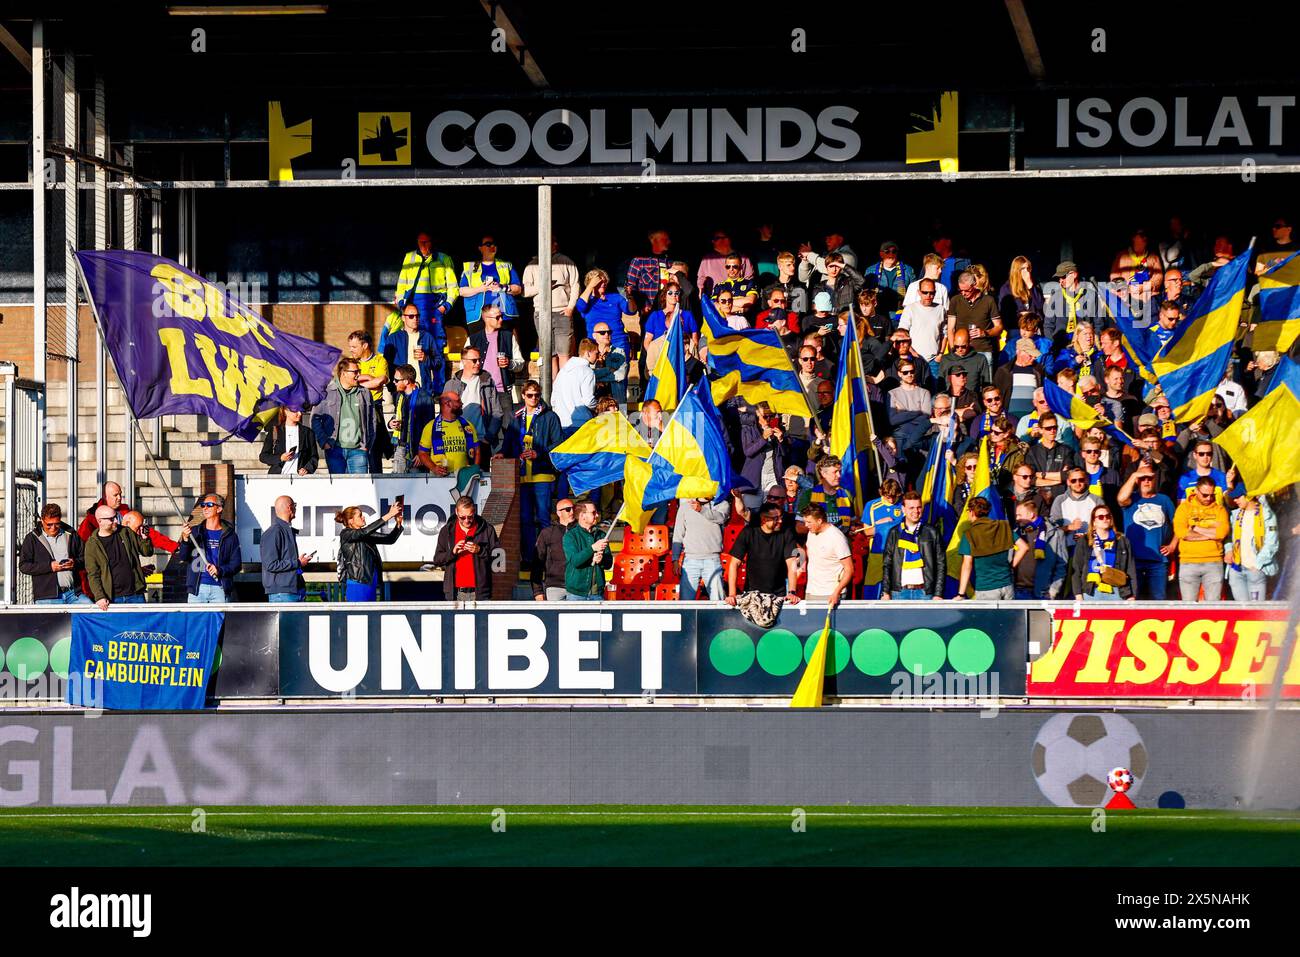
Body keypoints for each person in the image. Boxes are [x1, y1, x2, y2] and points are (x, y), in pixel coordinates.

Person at [502, 380, 562, 565]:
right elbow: (509, 441)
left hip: (542, 475)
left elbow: (558, 444)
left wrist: (539, 452)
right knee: (525, 518)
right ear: (523, 396)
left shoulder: (549, 416)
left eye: (536, 395)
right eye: (530, 395)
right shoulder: (516, 415)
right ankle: (529, 557)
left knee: (543, 517)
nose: (534, 398)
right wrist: (501, 454)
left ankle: (548, 557)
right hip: (521, 475)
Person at [386, 231, 459, 353]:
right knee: (414, 345)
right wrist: (401, 303)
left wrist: (445, 306)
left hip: (435, 306)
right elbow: (401, 283)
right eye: (421, 242)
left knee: (436, 346)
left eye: (426, 242)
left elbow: (453, 287)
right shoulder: (410, 257)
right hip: (414, 307)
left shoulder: (444, 259)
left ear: (432, 242)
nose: (424, 245)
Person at [522, 237, 581, 378]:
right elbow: (525, 291)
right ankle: (552, 391)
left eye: (552, 242)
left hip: (562, 312)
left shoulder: (567, 262)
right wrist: (543, 286)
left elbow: (575, 285)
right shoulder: (532, 265)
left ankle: (566, 390)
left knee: (564, 354)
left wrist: (570, 307)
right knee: (549, 355)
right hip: (541, 313)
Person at [574, 269, 635, 401]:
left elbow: (631, 311)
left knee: (619, 381)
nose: (602, 283)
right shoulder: (587, 301)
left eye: (604, 281)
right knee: (593, 381)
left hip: (617, 343)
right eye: (598, 281)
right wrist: (591, 286)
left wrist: (630, 296)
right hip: (595, 345)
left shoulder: (615, 298)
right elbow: (579, 307)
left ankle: (621, 415)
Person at [1118, 463, 1177, 599]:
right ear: (1137, 480)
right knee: (1133, 600)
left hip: (1158, 561)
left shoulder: (1164, 500)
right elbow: (1120, 499)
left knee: (1158, 601)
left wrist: (1173, 545)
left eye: (1149, 478)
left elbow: (1179, 525)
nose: (1146, 481)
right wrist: (1134, 475)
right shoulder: (1131, 499)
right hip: (1133, 561)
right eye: (1142, 478)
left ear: (1155, 479)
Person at [725, 501, 801, 605]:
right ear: (764, 520)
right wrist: (732, 594)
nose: (780, 521)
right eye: (776, 518)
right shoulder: (749, 532)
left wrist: (792, 592)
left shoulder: (786, 533)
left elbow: (792, 563)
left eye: (780, 517)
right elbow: (734, 563)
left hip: (778, 595)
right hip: (752, 594)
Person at [431, 495, 501, 603]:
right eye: (462, 517)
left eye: (470, 516)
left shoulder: (487, 529)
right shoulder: (447, 531)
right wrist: (452, 552)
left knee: (480, 620)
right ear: (456, 512)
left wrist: (480, 550)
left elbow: (499, 562)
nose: (467, 520)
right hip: (455, 592)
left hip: (480, 593)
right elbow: (437, 560)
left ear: (475, 511)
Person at [20, 503, 92, 605]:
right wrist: (50, 567)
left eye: (57, 524)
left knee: (92, 612)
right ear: (42, 521)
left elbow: (86, 558)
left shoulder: (71, 534)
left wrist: (74, 563)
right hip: (46, 597)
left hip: (73, 594)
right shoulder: (31, 539)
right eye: (49, 524)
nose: (53, 528)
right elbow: (24, 566)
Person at [84, 504, 154, 608]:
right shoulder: (92, 544)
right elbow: (93, 574)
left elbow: (147, 552)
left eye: (116, 517)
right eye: (111, 519)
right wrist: (99, 597)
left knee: (141, 624)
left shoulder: (126, 532)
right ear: (99, 521)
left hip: (135, 595)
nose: (116, 521)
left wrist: (145, 538)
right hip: (112, 598)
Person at [177, 493, 242, 604]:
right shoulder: (195, 532)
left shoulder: (230, 535)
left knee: (219, 621)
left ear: (219, 509)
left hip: (220, 588)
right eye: (203, 505)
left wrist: (220, 570)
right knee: (196, 621)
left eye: (210, 504)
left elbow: (236, 564)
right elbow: (183, 556)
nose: (205, 508)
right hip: (197, 589)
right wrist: (185, 539)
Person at [314, 357, 374, 475]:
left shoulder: (365, 393)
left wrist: (367, 444)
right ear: (343, 373)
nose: (359, 375)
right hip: (334, 449)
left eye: (359, 371)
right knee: (339, 490)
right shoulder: (326, 392)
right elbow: (315, 418)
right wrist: (323, 442)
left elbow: (372, 421)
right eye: (355, 372)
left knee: (359, 490)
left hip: (359, 450)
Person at [880, 491, 944, 600]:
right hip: (899, 592)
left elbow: (940, 563)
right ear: (903, 509)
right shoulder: (894, 532)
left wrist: (938, 593)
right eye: (911, 508)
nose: (916, 511)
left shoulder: (932, 532)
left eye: (919, 507)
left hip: (925, 592)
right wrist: (885, 592)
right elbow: (887, 564)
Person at [1173, 476, 1229, 601]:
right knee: (1189, 608)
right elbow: (1181, 533)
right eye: (1204, 495)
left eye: (1211, 494)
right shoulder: (1183, 509)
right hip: (1188, 562)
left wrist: (1195, 527)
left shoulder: (1220, 510)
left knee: (1213, 608)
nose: (1208, 498)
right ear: (1196, 491)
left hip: (1214, 562)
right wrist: (1210, 533)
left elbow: (1221, 533)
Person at [335, 501, 403, 602]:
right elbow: (365, 531)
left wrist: (398, 523)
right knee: (358, 616)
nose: (363, 517)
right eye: (360, 515)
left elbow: (390, 539)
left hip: (371, 582)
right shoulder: (346, 533)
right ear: (351, 521)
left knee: (371, 616)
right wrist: (389, 515)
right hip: (358, 583)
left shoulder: (365, 534)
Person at [1070, 504, 1137, 601]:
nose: (1105, 519)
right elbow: (1076, 569)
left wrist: (1132, 595)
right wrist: (1078, 594)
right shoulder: (1084, 540)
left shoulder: (1122, 540)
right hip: (1091, 591)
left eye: (1108, 516)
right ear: (1094, 522)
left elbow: (1130, 568)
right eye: (1101, 517)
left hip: (1117, 590)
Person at [448, 345, 509, 453]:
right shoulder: (451, 384)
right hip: (458, 441)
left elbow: (497, 413)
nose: (478, 363)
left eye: (479, 360)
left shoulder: (488, 382)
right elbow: (445, 413)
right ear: (464, 361)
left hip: (482, 440)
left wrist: (488, 437)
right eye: (474, 360)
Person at [1226, 485, 1279, 602]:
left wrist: (1257, 564)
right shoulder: (1235, 515)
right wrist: (1228, 550)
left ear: (1249, 496)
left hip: (1255, 570)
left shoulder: (1267, 515)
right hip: (1237, 569)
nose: (1234, 500)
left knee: (1255, 610)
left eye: (1238, 497)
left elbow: (1272, 543)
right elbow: (1229, 536)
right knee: (1241, 611)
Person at [459, 234, 522, 334]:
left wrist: (502, 287)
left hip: (504, 315)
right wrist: (480, 289)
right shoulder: (470, 267)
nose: (492, 246)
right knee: (479, 347)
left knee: (506, 347)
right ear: (480, 248)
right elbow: (462, 291)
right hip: (477, 316)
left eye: (494, 244)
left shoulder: (506, 265)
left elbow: (518, 289)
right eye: (488, 244)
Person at [672, 496, 731, 601]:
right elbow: (678, 534)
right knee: (685, 602)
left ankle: (718, 618)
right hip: (690, 560)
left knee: (718, 600)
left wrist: (701, 510)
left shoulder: (722, 504)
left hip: (713, 559)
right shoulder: (685, 507)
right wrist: (675, 559)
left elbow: (721, 518)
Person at [348, 329, 391, 473]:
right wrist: (369, 378)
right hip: (355, 409)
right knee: (356, 451)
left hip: (374, 408)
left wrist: (358, 383)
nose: (351, 350)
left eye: (354, 347)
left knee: (374, 452)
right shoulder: (351, 364)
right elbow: (347, 383)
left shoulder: (380, 360)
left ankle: (377, 485)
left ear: (365, 345)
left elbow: (379, 382)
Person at [956, 495, 1014, 600]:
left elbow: (967, 565)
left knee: (988, 617)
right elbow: (1023, 547)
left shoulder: (970, 534)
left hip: (986, 588)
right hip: (1007, 585)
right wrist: (1011, 565)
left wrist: (961, 594)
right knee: (1010, 617)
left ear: (972, 512)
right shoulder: (1003, 526)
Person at [468, 303, 525, 404]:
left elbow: (520, 363)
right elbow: (463, 366)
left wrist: (510, 364)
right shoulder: (473, 339)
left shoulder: (508, 336)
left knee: (507, 420)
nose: (501, 320)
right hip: (479, 392)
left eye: (501, 316)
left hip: (503, 392)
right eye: (497, 317)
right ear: (486, 318)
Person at [1011, 499, 1068, 599]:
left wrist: (1053, 590)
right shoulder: (1017, 533)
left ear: (1031, 515)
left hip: (1043, 592)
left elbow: (1062, 565)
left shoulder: (1055, 533)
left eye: (1019, 515)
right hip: (1018, 590)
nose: (1017, 518)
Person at [416, 391, 483, 478]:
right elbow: (422, 453)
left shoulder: (467, 425)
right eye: (458, 401)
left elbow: (477, 450)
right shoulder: (430, 427)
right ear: (448, 404)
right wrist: (434, 468)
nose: (462, 403)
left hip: (464, 477)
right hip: (439, 478)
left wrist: (474, 468)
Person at [946, 270, 1001, 375]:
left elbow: (999, 327)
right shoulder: (955, 300)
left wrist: (984, 333)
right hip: (961, 352)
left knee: (986, 386)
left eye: (966, 290)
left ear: (974, 285)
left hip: (983, 350)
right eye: (960, 290)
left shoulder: (989, 301)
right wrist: (954, 349)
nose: (963, 293)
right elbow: (950, 329)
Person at [1043, 261, 1106, 349]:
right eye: (1059, 278)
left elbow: (1098, 324)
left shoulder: (1090, 296)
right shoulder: (1055, 296)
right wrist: (1052, 345)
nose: (1061, 281)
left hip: (1084, 345)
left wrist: (1093, 342)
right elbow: (1048, 325)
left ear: (1074, 274)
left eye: (1063, 277)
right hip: (1060, 345)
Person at [800, 504, 853, 608]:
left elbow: (849, 569)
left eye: (809, 522)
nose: (806, 525)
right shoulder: (811, 533)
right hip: (811, 591)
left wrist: (836, 592)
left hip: (830, 594)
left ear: (819, 520)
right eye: (805, 522)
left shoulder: (836, 537)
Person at [388, 364, 436, 475]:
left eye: (396, 380)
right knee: (398, 486)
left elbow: (429, 427)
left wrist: (422, 453)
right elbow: (398, 415)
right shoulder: (399, 396)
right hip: (400, 447)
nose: (394, 382)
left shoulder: (425, 397)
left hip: (416, 450)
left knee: (416, 487)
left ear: (406, 381)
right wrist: (391, 423)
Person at [383, 304, 441, 396]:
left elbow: (438, 363)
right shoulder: (393, 338)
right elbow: (386, 365)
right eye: (411, 316)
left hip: (423, 389)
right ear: (403, 318)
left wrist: (426, 358)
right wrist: (392, 387)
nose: (415, 319)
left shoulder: (427, 337)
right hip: (401, 390)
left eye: (417, 316)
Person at [261, 495, 311, 602]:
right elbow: (270, 564)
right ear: (289, 508)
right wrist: (297, 563)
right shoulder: (275, 532)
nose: (295, 509)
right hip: (283, 594)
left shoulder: (284, 530)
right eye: (295, 505)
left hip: (291, 591)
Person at [564, 501, 613, 601]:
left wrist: (601, 560)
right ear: (582, 516)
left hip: (597, 593)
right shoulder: (570, 536)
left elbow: (609, 563)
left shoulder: (601, 535)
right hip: (576, 594)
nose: (597, 515)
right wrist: (592, 548)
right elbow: (575, 561)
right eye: (593, 512)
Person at [897, 277, 947, 376]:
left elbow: (944, 334)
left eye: (932, 293)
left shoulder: (941, 309)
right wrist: (912, 352)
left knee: (934, 390)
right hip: (914, 359)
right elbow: (902, 334)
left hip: (934, 360)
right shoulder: (910, 309)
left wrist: (940, 354)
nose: (929, 295)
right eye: (925, 292)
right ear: (919, 292)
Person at [1025, 413, 1078, 503]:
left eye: (1055, 427)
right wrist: (1057, 480)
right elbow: (1031, 479)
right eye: (1048, 428)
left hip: (1061, 499)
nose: (1052, 431)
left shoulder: (1066, 450)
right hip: (1038, 499)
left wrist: (1042, 475)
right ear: (1041, 430)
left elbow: (1067, 475)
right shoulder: (1032, 452)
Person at [531, 498, 576, 602]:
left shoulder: (580, 532)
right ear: (559, 513)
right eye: (568, 509)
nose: (572, 512)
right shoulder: (547, 533)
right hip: (555, 586)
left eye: (573, 508)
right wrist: (538, 591)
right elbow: (537, 563)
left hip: (577, 588)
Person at [552, 338, 598, 432]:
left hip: (561, 422)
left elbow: (553, 400)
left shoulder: (563, 371)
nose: (598, 356)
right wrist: (598, 405)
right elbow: (588, 401)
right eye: (596, 353)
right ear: (588, 353)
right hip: (581, 424)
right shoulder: (587, 372)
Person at [625, 228, 674, 315]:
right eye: (665, 239)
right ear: (654, 241)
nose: (669, 242)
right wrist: (642, 305)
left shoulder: (669, 262)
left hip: (669, 311)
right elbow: (630, 287)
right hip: (649, 312)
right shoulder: (639, 261)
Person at [259, 405, 319, 476]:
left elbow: (314, 457)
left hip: (300, 478)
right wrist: (280, 458)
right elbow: (263, 456)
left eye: (301, 411)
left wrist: (307, 469)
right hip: (278, 478)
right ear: (285, 411)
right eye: (296, 410)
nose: (299, 413)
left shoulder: (308, 432)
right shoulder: (274, 431)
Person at [1050, 467, 1101, 550]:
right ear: (1068, 482)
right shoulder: (1060, 500)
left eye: (1081, 480)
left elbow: (1103, 526)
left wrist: (1087, 535)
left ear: (1086, 481)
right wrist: (1069, 527)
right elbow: (1053, 529)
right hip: (1066, 549)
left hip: (1091, 548)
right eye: (1073, 481)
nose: (1078, 483)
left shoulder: (1096, 500)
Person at [998, 256, 1045, 334]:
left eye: (1028, 268)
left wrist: (1030, 286)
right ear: (1016, 271)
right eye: (1023, 269)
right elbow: (1005, 315)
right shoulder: (1006, 288)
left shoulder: (1034, 286)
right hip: (1016, 329)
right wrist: (1021, 315)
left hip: (1034, 329)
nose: (1027, 271)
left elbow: (1041, 306)